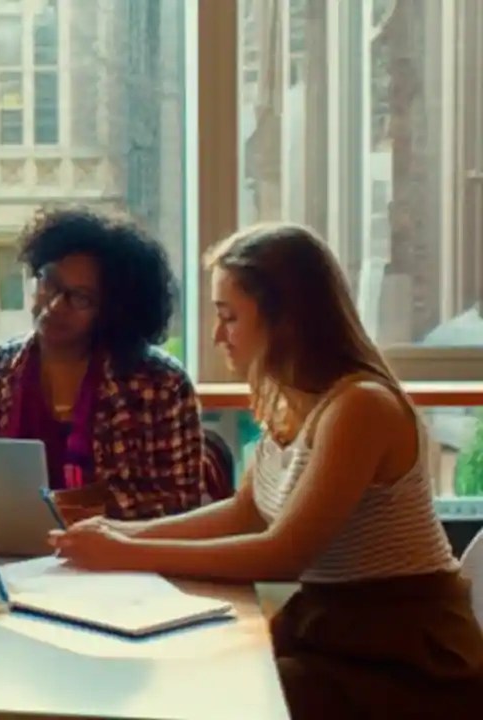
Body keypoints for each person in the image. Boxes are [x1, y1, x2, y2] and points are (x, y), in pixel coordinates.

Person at [50, 222, 483, 718]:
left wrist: (126, 552)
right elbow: (247, 512)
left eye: (229, 317)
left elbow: (283, 554)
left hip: (405, 656)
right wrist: (120, 533)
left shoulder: (360, 407)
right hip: (335, 631)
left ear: (287, 321)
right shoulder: (287, 399)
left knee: (206, 695)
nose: (217, 335)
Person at [0, 205, 210, 522]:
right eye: (48, 282)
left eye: (80, 298)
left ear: (114, 310)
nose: (53, 305)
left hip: (120, 560)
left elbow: (181, 504)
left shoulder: (159, 384)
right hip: (11, 550)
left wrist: (74, 508)